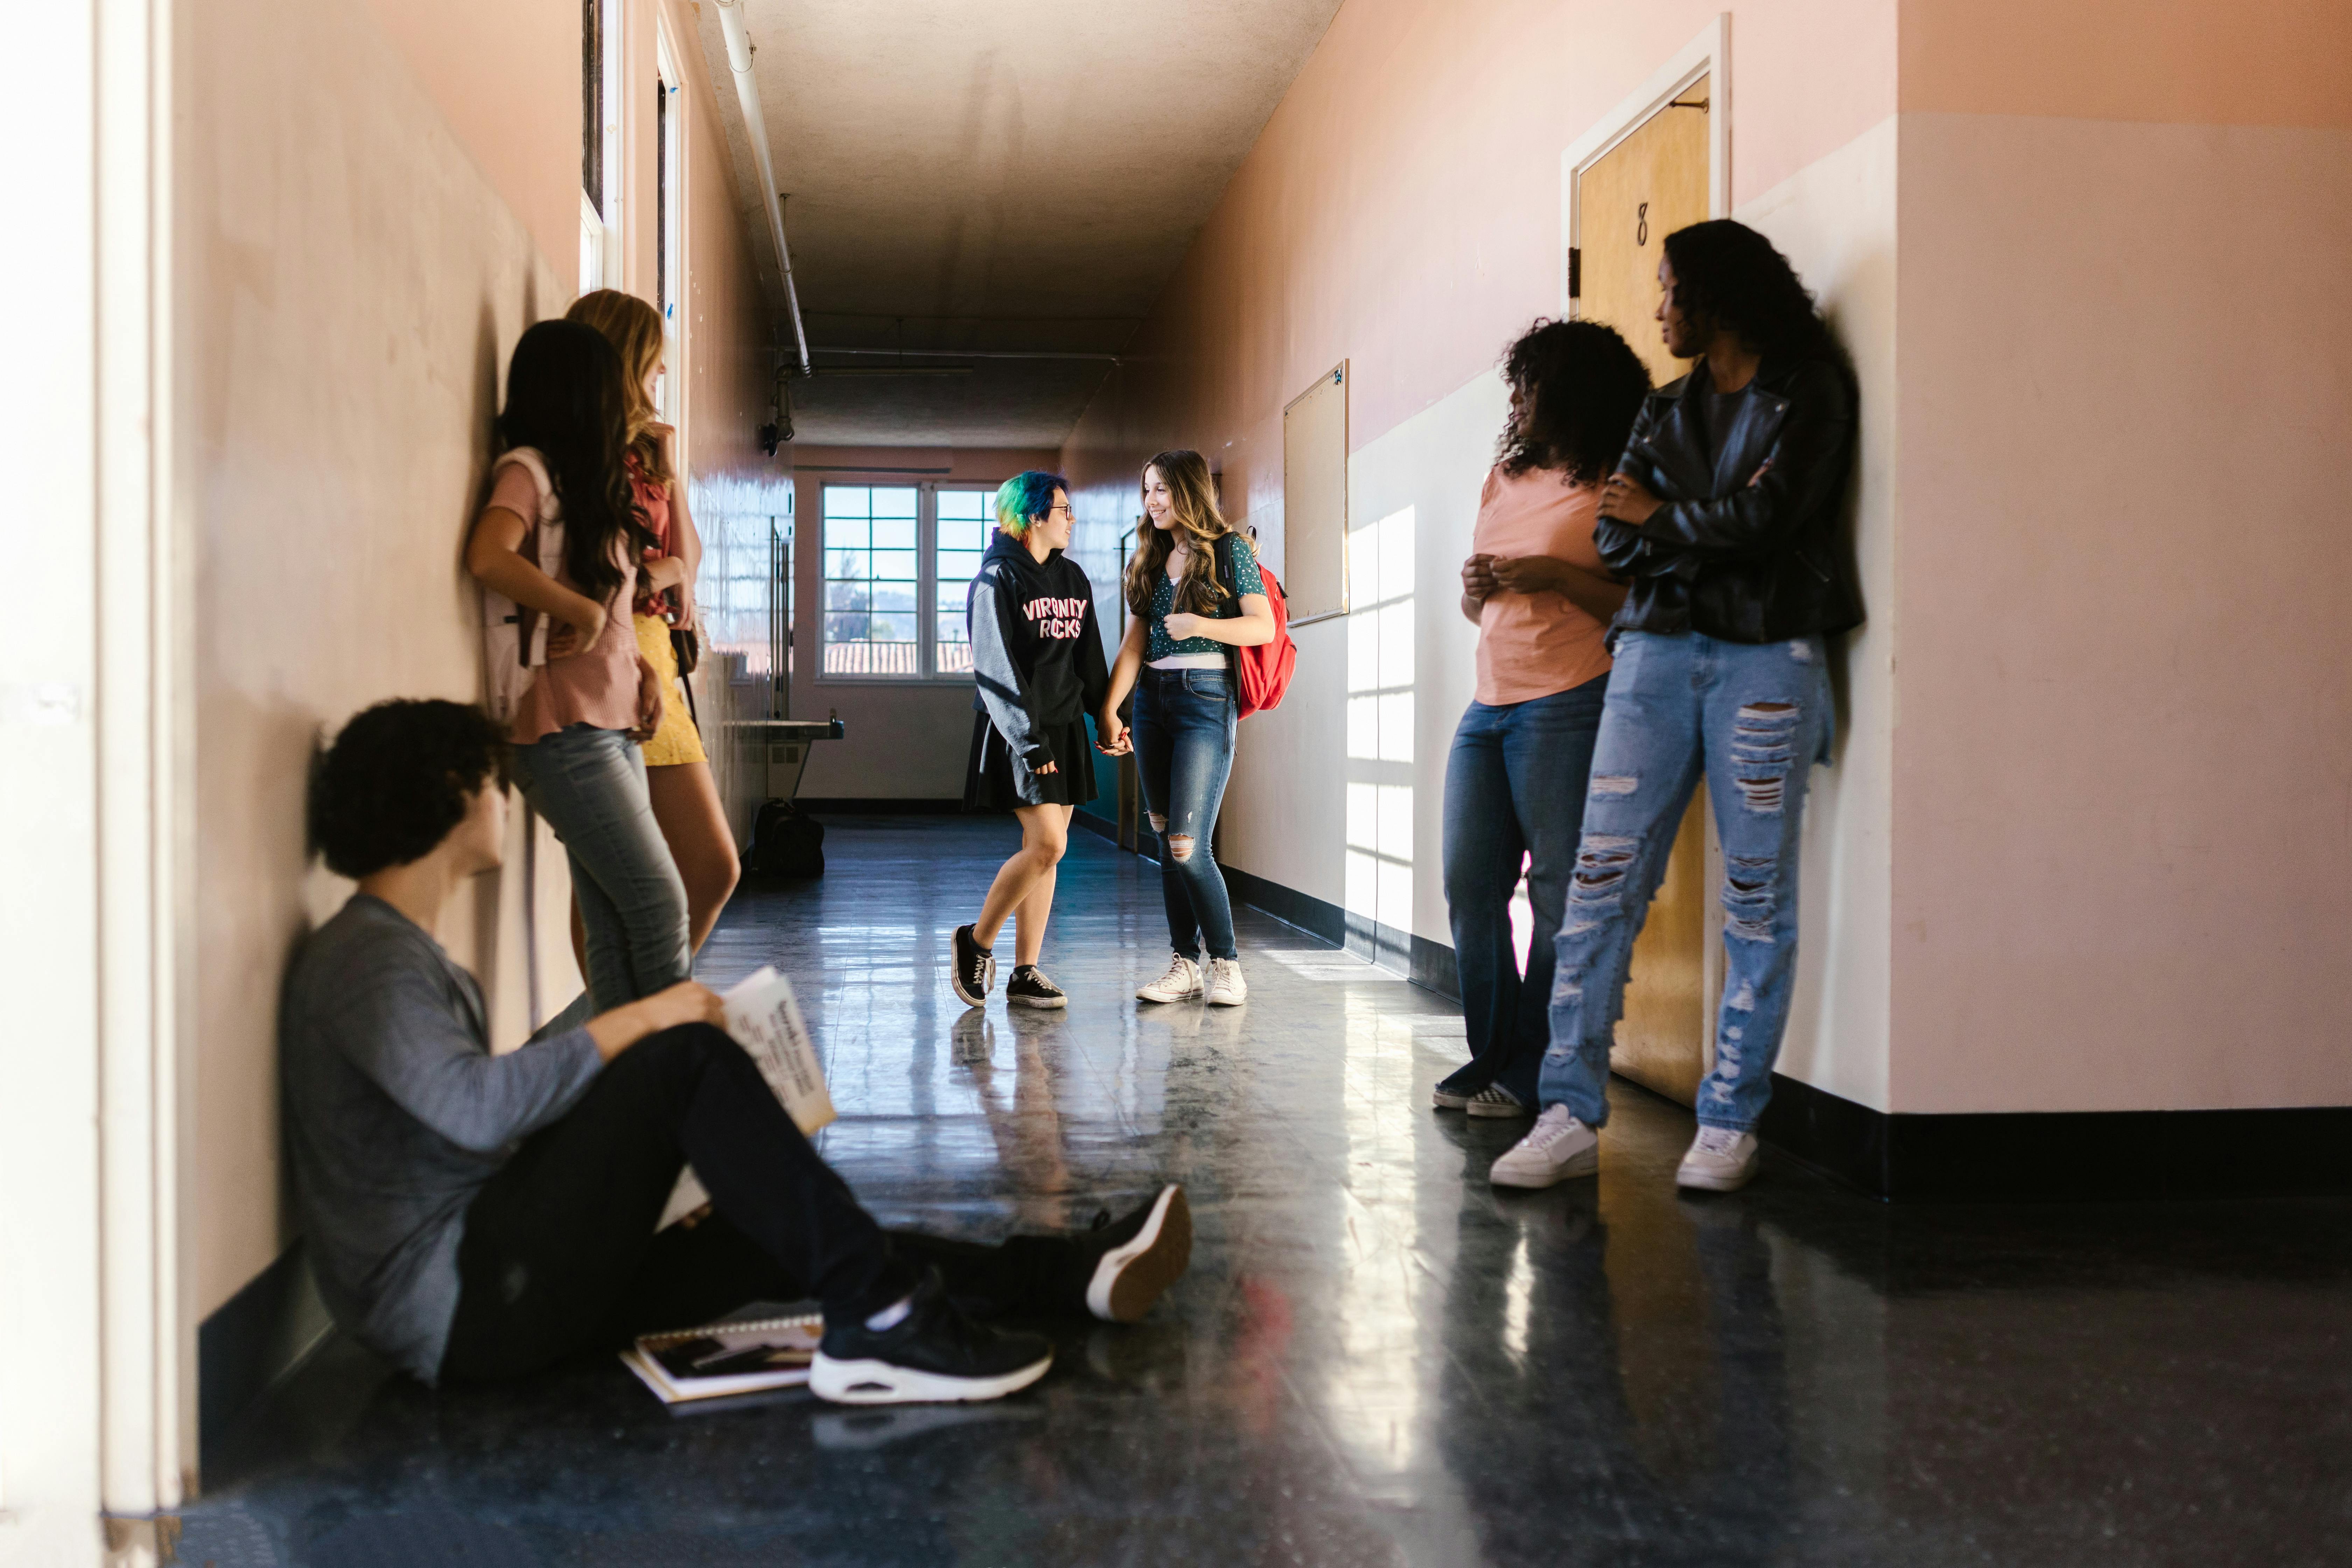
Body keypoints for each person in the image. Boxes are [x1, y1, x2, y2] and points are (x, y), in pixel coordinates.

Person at [284, 699, 1194, 1404]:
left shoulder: (394, 953)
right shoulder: (365, 959)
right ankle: (881, 1320)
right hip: (460, 1309)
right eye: (486, 780)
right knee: (680, 1055)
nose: (502, 797)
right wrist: (642, 1022)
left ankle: (1063, 1277)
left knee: (758, 1232)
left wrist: (641, 1190)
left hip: (491, 1287)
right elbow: (477, 1111)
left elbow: (473, 1136)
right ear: (445, 792)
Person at [1489, 218, 1861, 1195]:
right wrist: (1693, 528)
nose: (1655, 310)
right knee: (1599, 882)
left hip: (1767, 660)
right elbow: (1617, 540)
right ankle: (1567, 1111)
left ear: (1714, 295)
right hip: (1653, 653)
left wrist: (1667, 523)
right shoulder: (1662, 411)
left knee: (1755, 897)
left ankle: (1729, 1119)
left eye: (1666, 290)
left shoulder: (1811, 391)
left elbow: (1778, 519)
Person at [1435, 321, 1650, 1120]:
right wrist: (1477, 584)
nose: (1519, 402)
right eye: (1514, 389)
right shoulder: (1506, 474)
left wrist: (1556, 572)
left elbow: (1642, 604)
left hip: (1570, 698)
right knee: (1470, 883)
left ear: (1574, 393)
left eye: (1531, 387)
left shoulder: (1616, 481)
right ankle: (1490, 1054)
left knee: (1559, 896)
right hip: (1488, 703)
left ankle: (1532, 1068)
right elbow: (1477, 607)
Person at [464, 319, 687, 1012]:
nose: (628, 399)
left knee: (618, 931)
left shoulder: (584, 486)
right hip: (560, 731)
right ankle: (676, 1079)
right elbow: (488, 556)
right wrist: (583, 615)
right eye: (611, 387)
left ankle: (628, 1094)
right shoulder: (527, 472)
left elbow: (620, 602)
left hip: (611, 725)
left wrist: (642, 672)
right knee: (660, 906)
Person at [565, 289, 739, 957]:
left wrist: (667, 473)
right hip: (614, 653)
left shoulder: (646, 453)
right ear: (623, 360)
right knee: (614, 888)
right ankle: (635, 1022)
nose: (661, 374)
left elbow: (688, 557)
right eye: (653, 361)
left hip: (658, 655)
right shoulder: (583, 451)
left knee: (712, 868)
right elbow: (598, 570)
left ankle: (646, 1013)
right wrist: (665, 574)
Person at [1100, 450, 1276, 1008]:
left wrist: (1200, 624)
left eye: (1162, 490)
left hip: (1205, 701)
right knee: (1162, 836)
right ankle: (1185, 963)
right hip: (1152, 703)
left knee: (1185, 844)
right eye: (1147, 490)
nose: (1152, 501)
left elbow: (1262, 625)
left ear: (1189, 491)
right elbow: (1134, 643)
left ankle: (1226, 963)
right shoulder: (1150, 555)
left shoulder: (1229, 551)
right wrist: (1112, 709)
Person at [951, 471, 1121, 1011]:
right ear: (1031, 518)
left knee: (1044, 855)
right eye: (1063, 510)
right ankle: (975, 942)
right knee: (1050, 844)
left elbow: (1088, 658)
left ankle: (1026, 972)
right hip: (1020, 733)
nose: (1071, 519)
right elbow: (996, 674)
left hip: (1066, 725)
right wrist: (1031, 743)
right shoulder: (996, 581)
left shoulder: (1073, 579)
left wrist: (1110, 715)